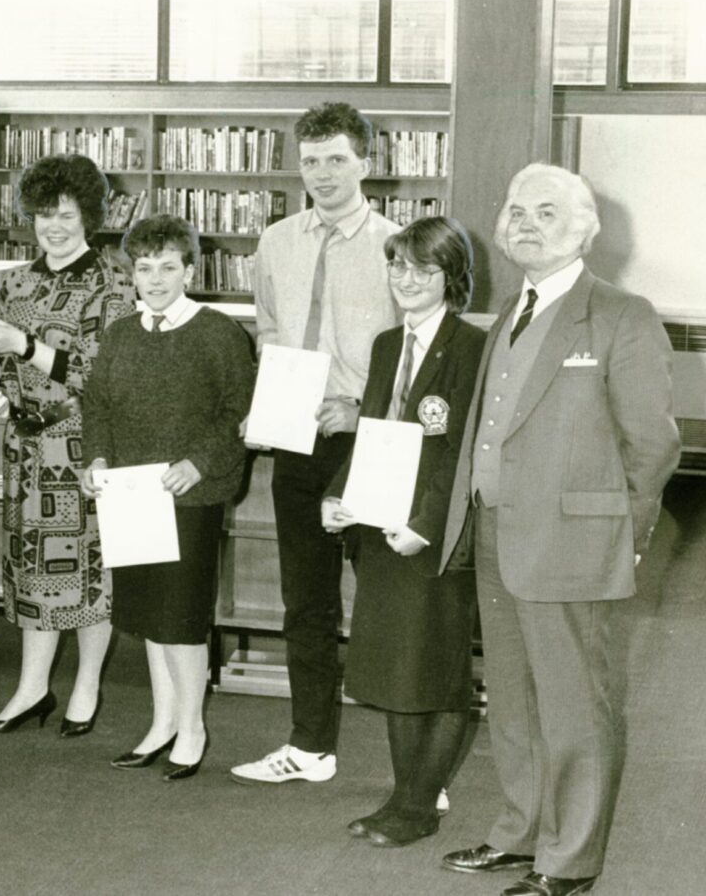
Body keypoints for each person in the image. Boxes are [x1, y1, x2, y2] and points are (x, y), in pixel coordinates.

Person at [438, 164, 678, 896]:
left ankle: (568, 860)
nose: (525, 222)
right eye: (515, 210)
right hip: (494, 536)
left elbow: (654, 445)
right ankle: (519, 833)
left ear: (584, 228)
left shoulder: (621, 315)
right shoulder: (511, 306)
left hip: (572, 547)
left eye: (546, 211)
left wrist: (618, 536)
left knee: (574, 706)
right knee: (511, 700)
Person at [233, 101, 402, 786]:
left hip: (370, 442)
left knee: (390, 599)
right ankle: (309, 746)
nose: (323, 174)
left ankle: (415, 770)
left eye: (336, 159)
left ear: (367, 162)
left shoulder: (399, 245)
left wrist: (357, 407)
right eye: (310, 161)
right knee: (305, 599)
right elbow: (271, 327)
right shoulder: (276, 242)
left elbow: (413, 351)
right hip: (296, 442)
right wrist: (280, 403)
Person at [318, 216, 484, 847]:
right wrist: (339, 495)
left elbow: (461, 455)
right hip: (379, 532)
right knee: (394, 668)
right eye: (397, 266)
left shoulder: (472, 349)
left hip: (432, 537)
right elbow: (373, 435)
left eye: (423, 268)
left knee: (435, 671)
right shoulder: (388, 345)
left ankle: (418, 808)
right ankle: (403, 797)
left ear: (452, 278)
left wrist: (424, 526)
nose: (406, 279)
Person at [0, 153, 137, 736]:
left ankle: (86, 686)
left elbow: (102, 374)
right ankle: (31, 688)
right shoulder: (16, 280)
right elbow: (8, 375)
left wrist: (26, 344)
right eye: (43, 215)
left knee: (91, 572)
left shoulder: (113, 279)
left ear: (88, 216)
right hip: (27, 446)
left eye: (65, 214)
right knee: (32, 571)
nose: (54, 226)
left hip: (86, 445)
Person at [80, 214, 254, 780]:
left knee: (180, 620)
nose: (155, 280)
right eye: (144, 268)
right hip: (131, 496)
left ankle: (193, 726)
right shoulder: (121, 333)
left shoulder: (220, 333)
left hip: (188, 496)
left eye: (168, 267)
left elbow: (239, 413)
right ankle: (162, 723)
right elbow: (98, 406)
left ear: (190, 269)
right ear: (131, 273)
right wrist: (98, 459)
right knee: (149, 619)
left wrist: (198, 462)